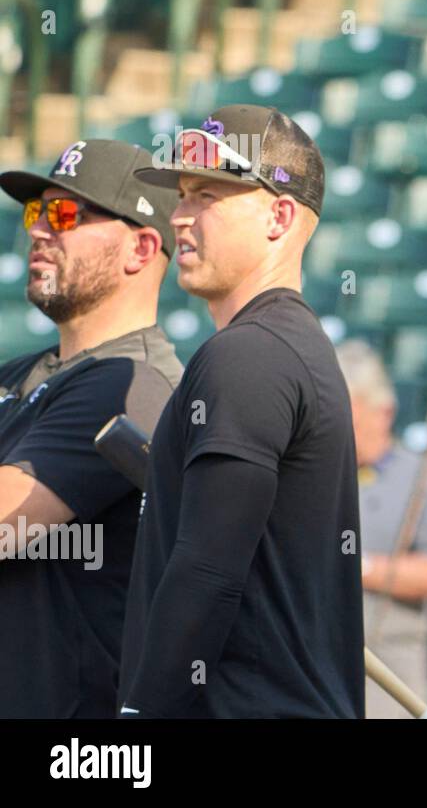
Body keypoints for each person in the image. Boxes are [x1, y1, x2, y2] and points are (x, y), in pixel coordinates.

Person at [117, 105, 364, 718]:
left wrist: (136, 725)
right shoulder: (282, 345)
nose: (179, 215)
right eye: (180, 196)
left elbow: (206, 573)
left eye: (206, 195)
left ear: (279, 215)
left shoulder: (250, 354)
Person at [0, 139, 181, 717]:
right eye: (37, 212)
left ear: (141, 247)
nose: (39, 230)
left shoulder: (136, 381)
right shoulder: (18, 372)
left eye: (66, 214)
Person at [336, 339, 427, 719]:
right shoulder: (310, 473)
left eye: (347, 409)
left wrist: (354, 566)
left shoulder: (426, 476)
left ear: (383, 411)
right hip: (310, 666)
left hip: (389, 673)